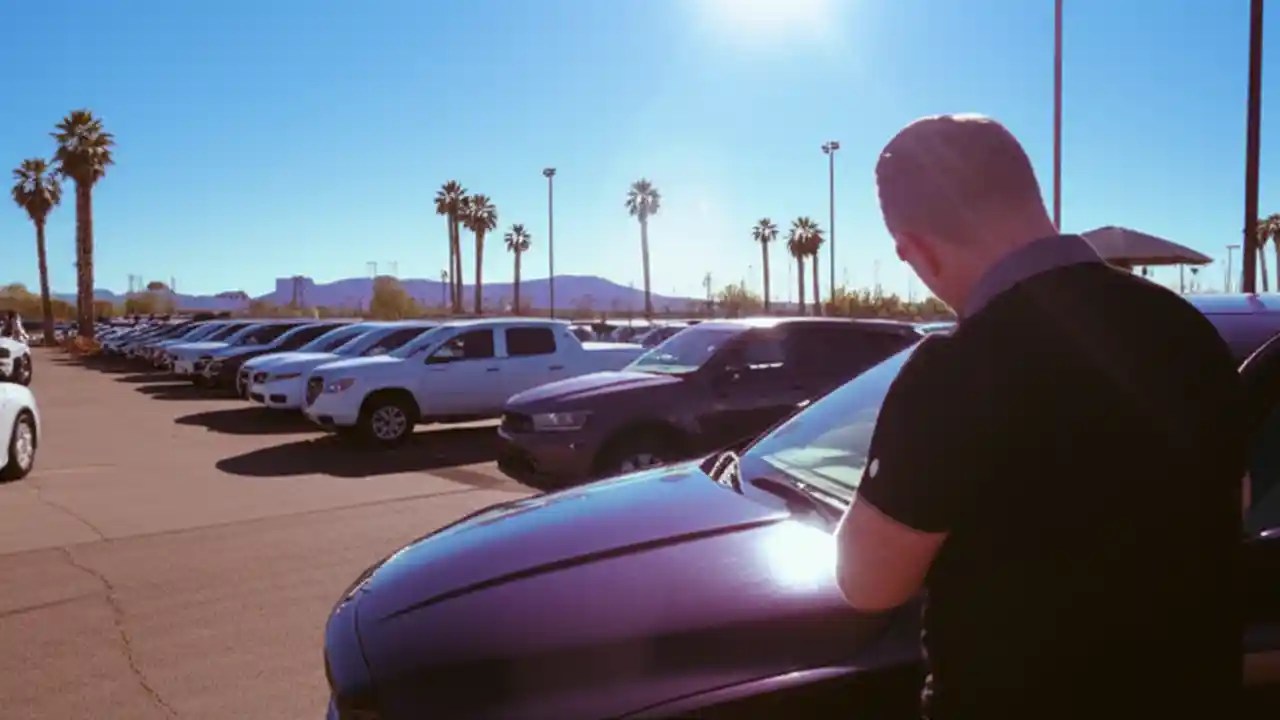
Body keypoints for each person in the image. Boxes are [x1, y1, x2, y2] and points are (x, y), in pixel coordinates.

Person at [834, 114, 1246, 719]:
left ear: (914, 249)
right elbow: (1230, 502)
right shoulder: (1188, 331)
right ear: (1033, 196)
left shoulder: (955, 371)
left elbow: (869, 585)